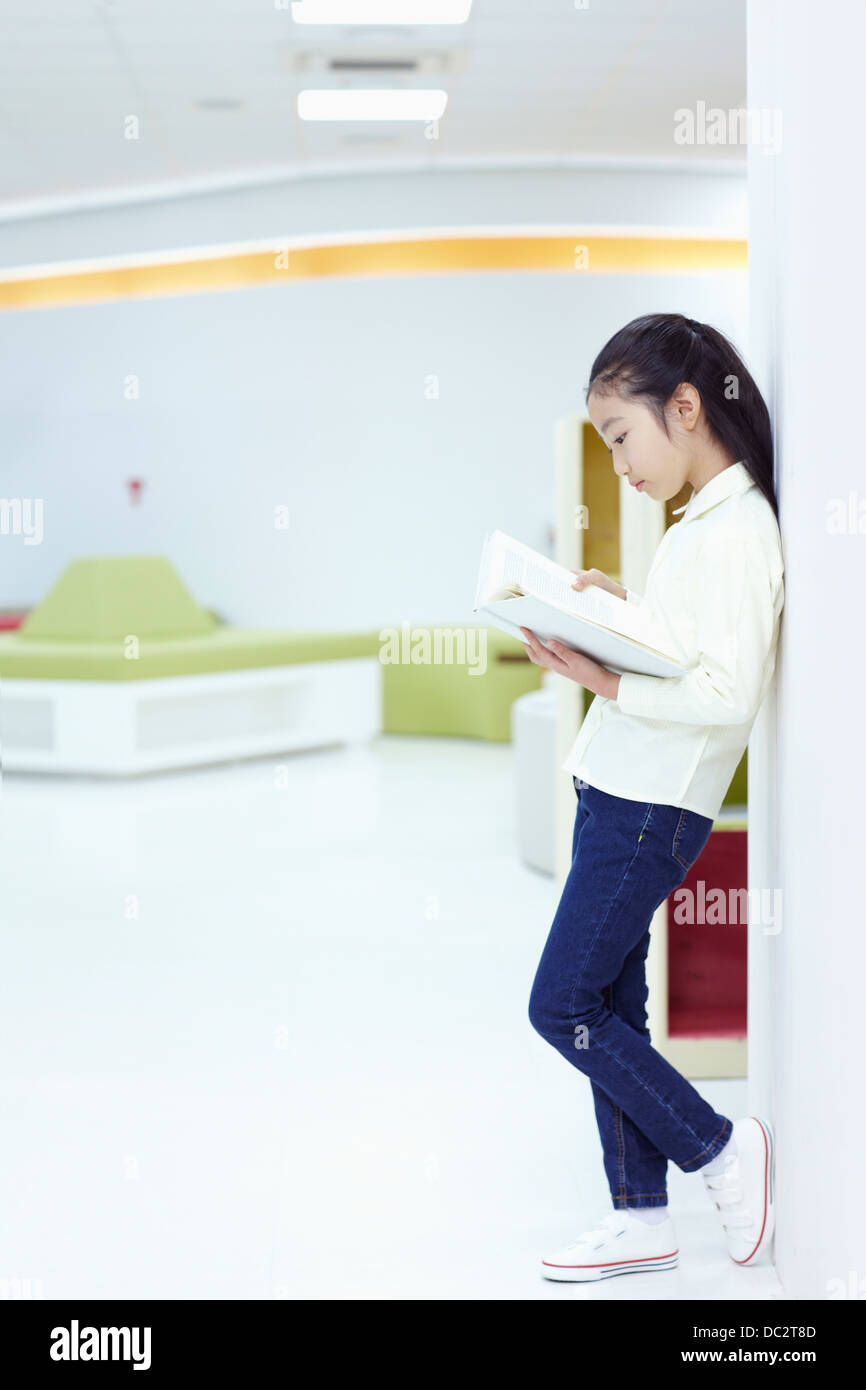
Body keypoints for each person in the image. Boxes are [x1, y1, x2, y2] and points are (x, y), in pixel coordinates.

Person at [522, 312, 783, 1282]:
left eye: (620, 436)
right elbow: (685, 656)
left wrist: (603, 678)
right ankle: (639, 1217)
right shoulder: (699, 525)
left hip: (646, 809)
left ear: (683, 407)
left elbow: (725, 695)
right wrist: (612, 617)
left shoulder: (737, 526)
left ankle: (717, 1147)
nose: (620, 463)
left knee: (561, 1006)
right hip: (618, 789)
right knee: (609, 1008)